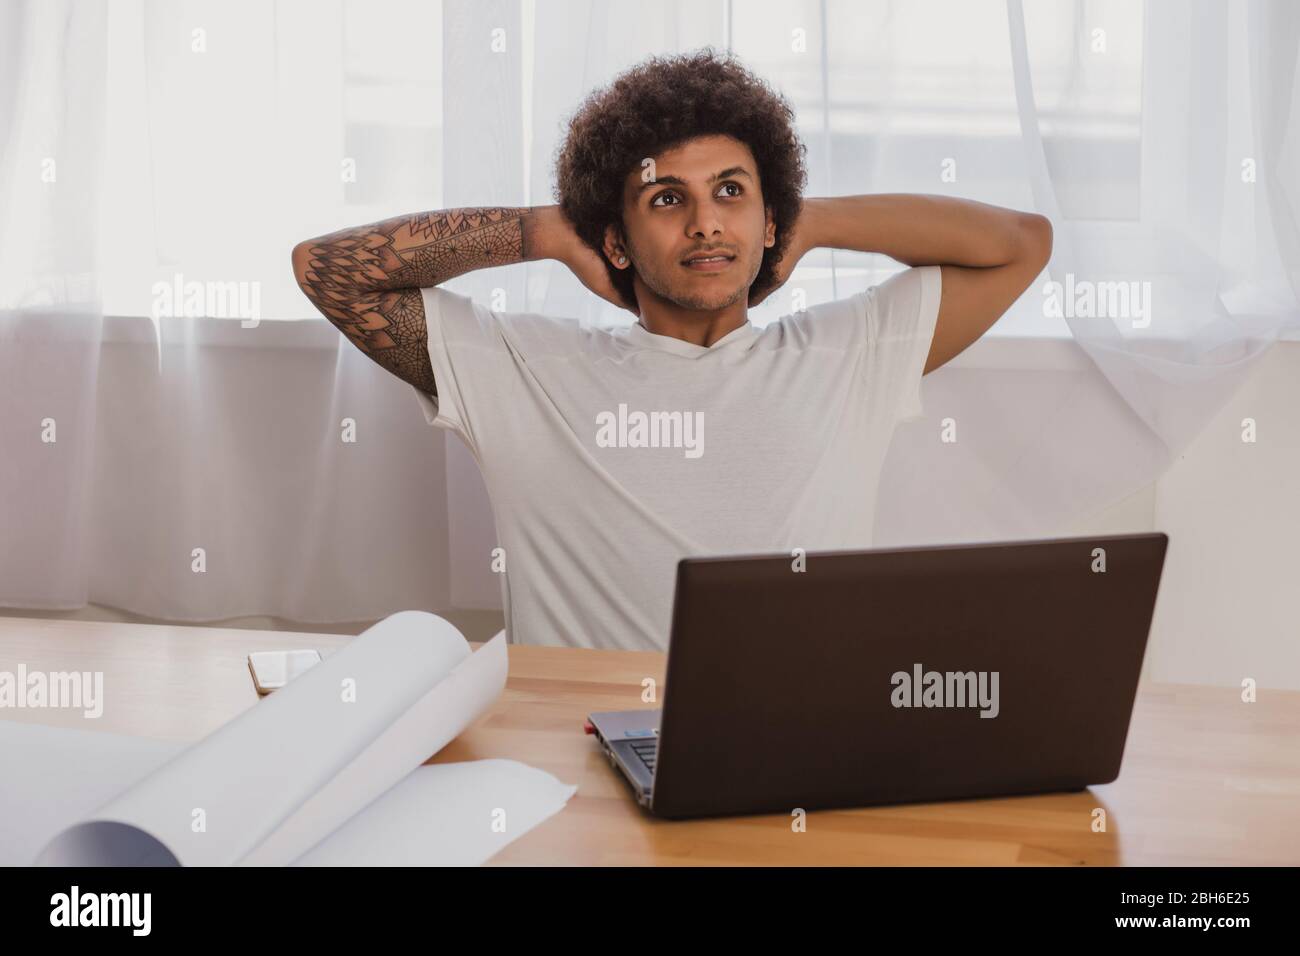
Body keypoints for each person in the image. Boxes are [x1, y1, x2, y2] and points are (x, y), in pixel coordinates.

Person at [291, 48, 1052, 651]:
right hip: (584, 757)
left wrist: (809, 220)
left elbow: (1020, 243)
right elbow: (327, 271)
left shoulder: (849, 353)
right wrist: (547, 232)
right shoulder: (525, 371)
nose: (705, 224)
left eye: (730, 192)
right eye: (666, 199)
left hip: (794, 756)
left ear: (767, 222)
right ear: (616, 241)